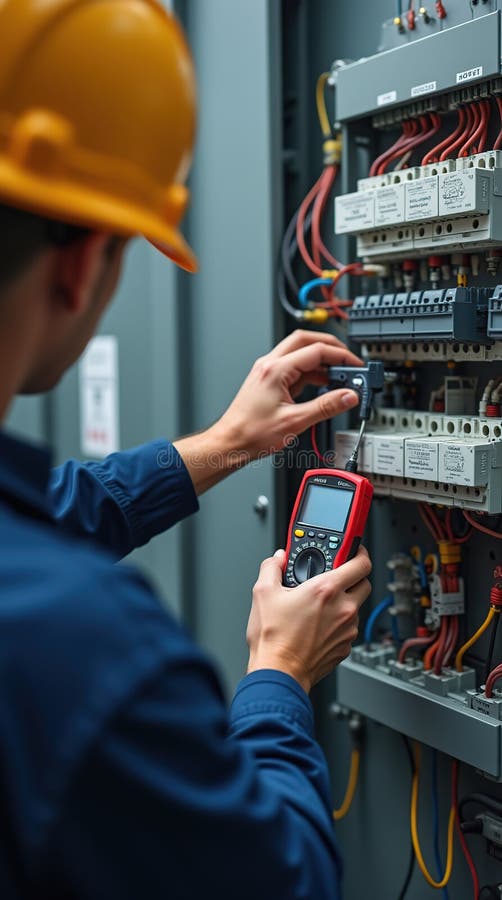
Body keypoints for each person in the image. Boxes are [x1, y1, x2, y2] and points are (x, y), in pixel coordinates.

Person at [0, 2, 372, 898]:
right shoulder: (93, 654)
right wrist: (278, 678)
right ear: (87, 260)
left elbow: (48, 513)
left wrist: (218, 447)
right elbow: (282, 883)